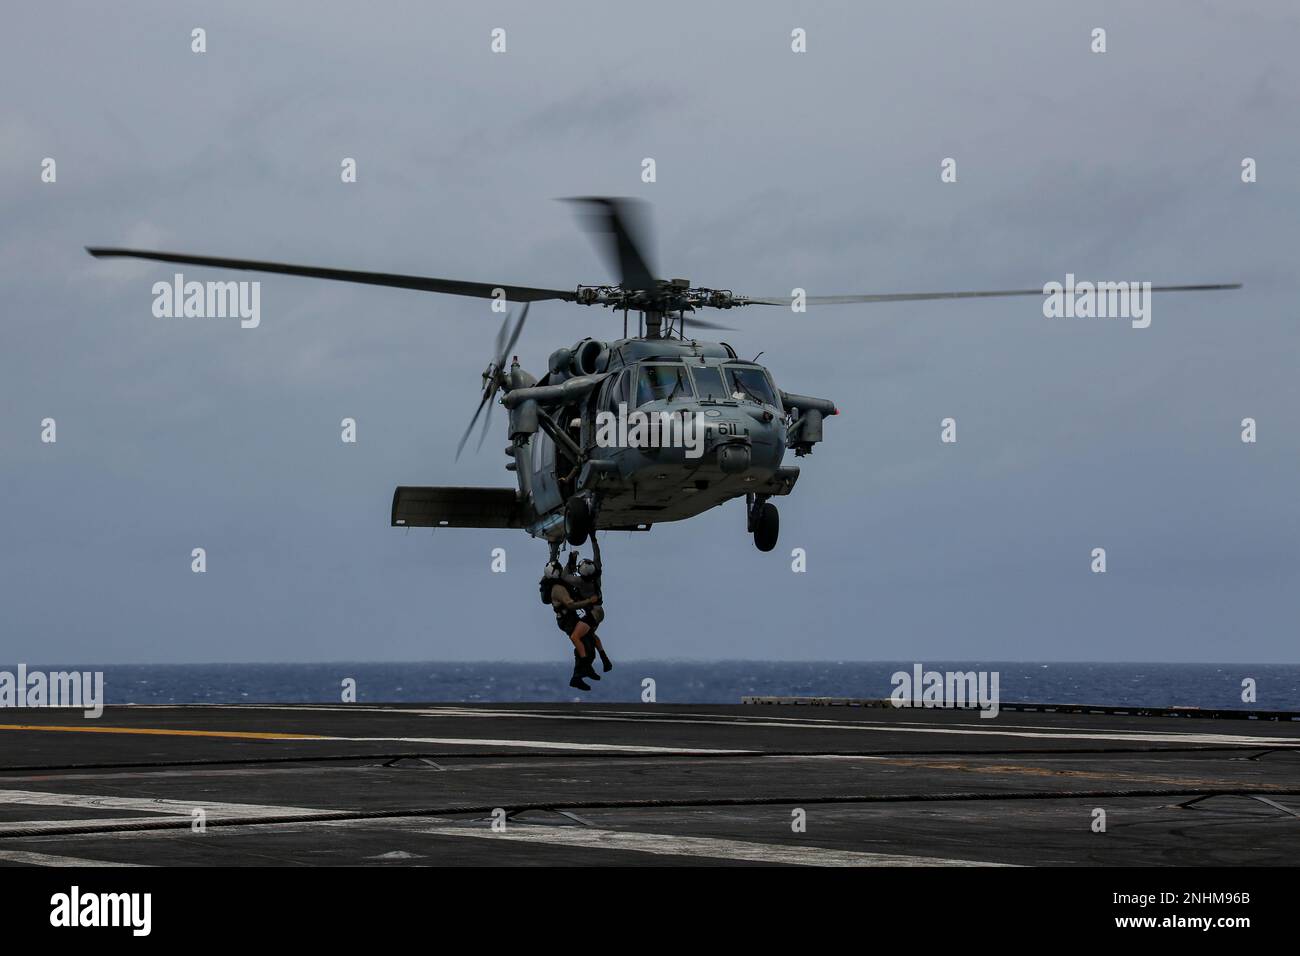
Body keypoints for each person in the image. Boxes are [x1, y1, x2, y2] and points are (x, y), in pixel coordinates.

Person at [542, 560, 601, 691]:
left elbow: (564, 573)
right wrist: (589, 601)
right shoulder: (558, 589)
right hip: (567, 621)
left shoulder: (557, 583)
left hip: (570, 618)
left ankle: (584, 671)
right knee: (586, 646)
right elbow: (571, 605)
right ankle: (578, 676)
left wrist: (571, 560)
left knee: (588, 643)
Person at [568, 554, 613, 673]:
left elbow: (564, 577)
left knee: (575, 636)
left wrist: (570, 561)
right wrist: (594, 543)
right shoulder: (596, 578)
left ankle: (585, 663)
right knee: (591, 634)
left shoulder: (581, 582)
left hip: (594, 613)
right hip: (599, 612)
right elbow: (597, 557)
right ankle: (605, 659)